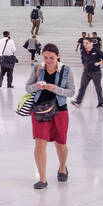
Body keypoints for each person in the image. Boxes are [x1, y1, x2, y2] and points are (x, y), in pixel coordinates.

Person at [26, 43, 74, 189]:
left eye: (51, 58)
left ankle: (62, 167)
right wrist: (36, 86)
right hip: (39, 110)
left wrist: (56, 89)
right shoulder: (37, 68)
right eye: (46, 57)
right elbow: (28, 88)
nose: (48, 61)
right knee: (40, 143)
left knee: (61, 143)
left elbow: (71, 92)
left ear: (58, 56)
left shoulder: (66, 70)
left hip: (59, 111)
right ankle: (42, 178)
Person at [71, 35, 103, 108]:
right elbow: (83, 62)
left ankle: (101, 103)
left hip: (96, 73)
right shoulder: (83, 51)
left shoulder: (97, 50)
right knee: (82, 87)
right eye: (84, 43)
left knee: (98, 88)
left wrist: (98, 63)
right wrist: (83, 70)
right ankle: (78, 102)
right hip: (86, 73)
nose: (84, 44)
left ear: (91, 43)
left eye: (86, 43)